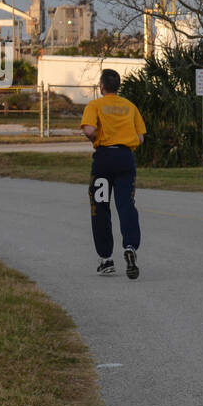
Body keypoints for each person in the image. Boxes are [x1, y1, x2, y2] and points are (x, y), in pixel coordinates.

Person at [80, 68, 146, 279]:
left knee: (100, 207)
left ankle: (106, 258)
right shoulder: (130, 106)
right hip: (126, 159)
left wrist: (96, 139)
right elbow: (141, 138)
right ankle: (130, 246)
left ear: (101, 86)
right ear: (118, 86)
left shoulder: (95, 105)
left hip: (104, 159)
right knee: (126, 205)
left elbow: (89, 130)